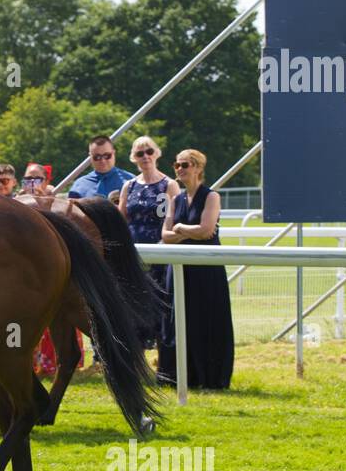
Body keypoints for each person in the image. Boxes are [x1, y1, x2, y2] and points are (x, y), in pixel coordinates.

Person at [159, 149, 234, 389]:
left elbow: (207, 230)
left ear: (198, 168)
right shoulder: (175, 199)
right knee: (176, 319)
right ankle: (177, 375)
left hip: (206, 270)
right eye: (177, 165)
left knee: (206, 320)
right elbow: (165, 236)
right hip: (179, 268)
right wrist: (187, 233)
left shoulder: (211, 197)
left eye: (185, 164)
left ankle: (210, 377)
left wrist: (180, 228)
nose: (180, 169)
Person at [118, 135, 180, 354]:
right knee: (134, 303)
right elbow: (121, 219)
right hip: (134, 253)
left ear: (157, 153)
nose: (145, 157)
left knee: (160, 303)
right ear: (134, 158)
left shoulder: (169, 185)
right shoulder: (129, 185)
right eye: (139, 153)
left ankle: (165, 357)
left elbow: (175, 218)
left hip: (161, 251)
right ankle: (138, 356)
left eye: (149, 151)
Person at [68, 136, 135, 199]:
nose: (102, 161)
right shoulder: (79, 186)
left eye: (107, 156)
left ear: (114, 153)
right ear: (90, 156)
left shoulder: (131, 181)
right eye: (97, 157)